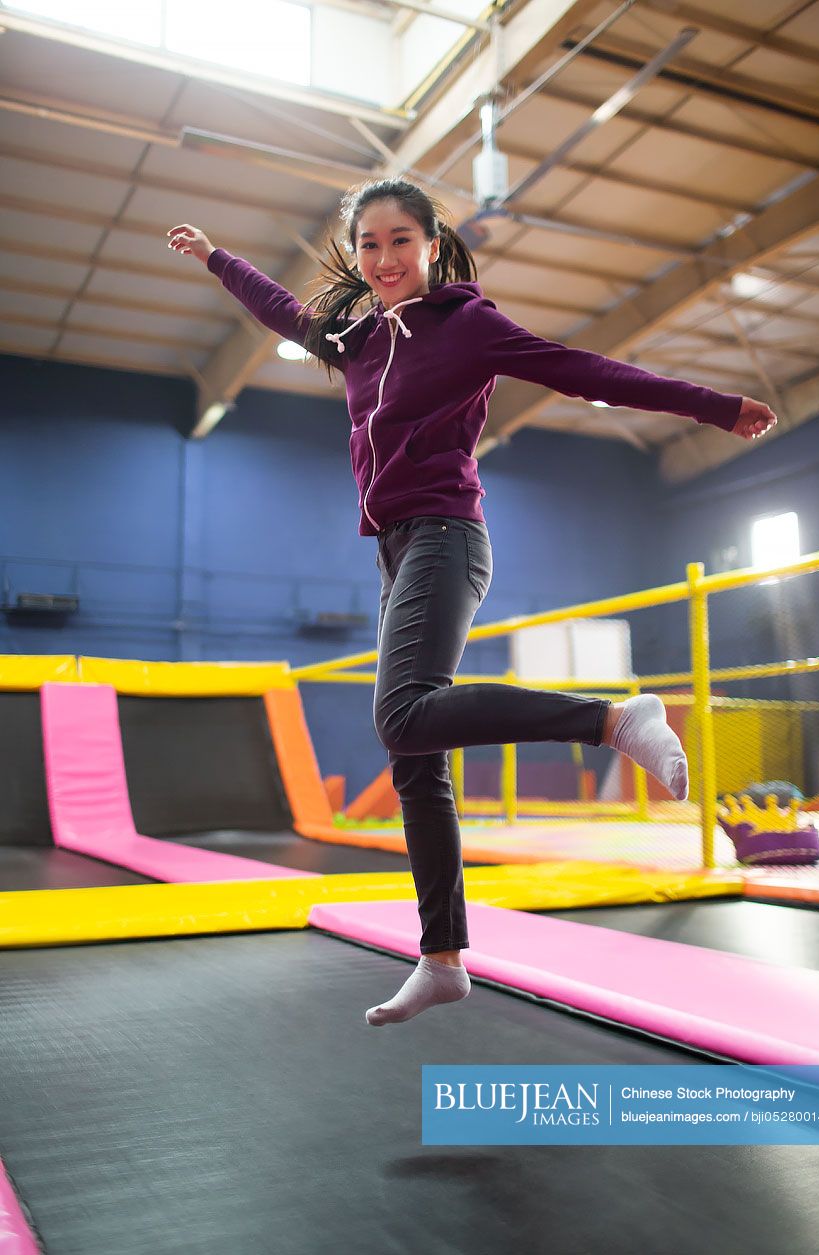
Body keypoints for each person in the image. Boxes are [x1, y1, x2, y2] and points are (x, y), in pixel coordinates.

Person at [167, 178, 777, 1027]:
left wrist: (711, 407)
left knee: (401, 715)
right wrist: (215, 258)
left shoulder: (467, 326)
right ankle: (442, 957)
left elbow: (585, 371)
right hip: (395, 549)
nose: (384, 258)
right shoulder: (358, 339)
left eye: (400, 240)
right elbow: (285, 313)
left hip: (445, 534)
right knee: (415, 753)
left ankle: (611, 719)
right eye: (369, 243)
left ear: (431, 244)